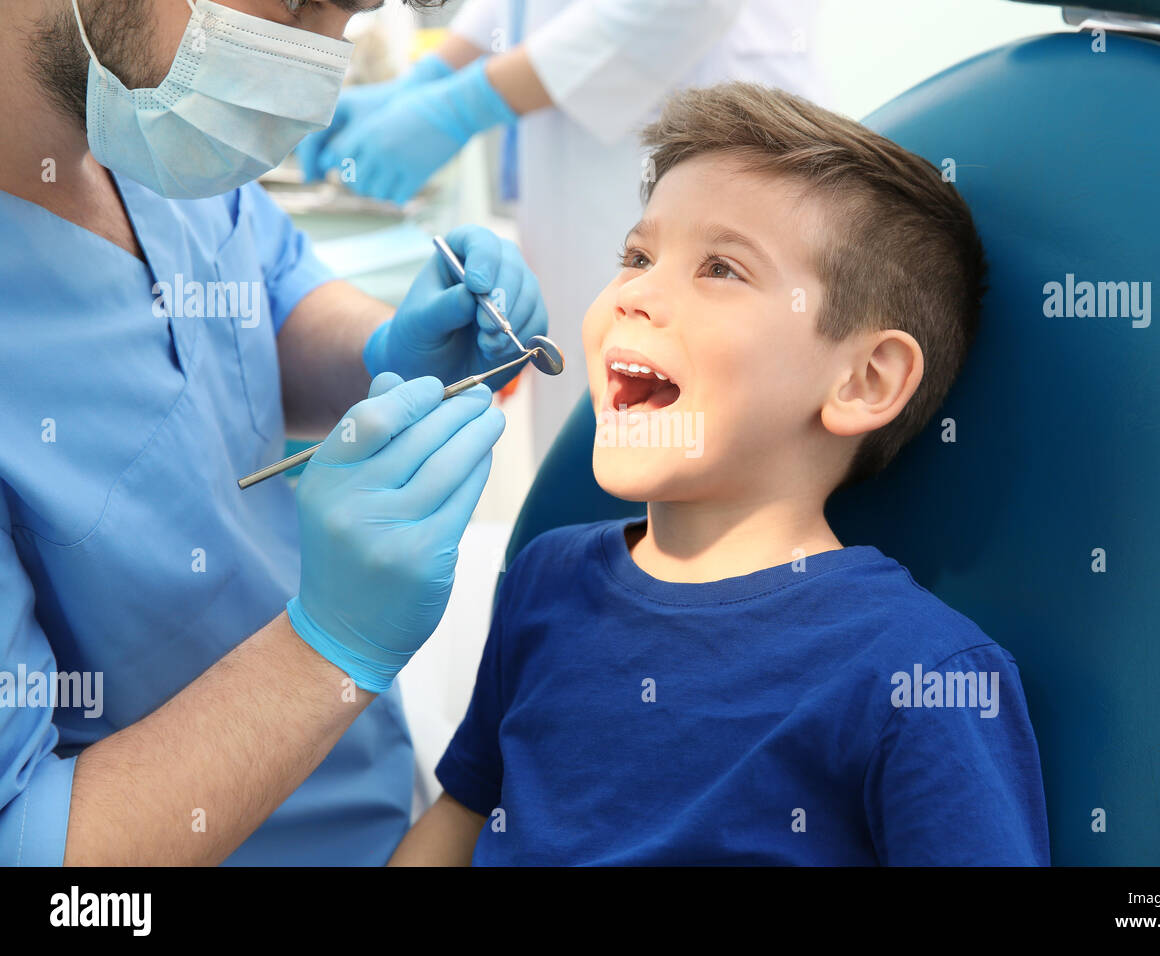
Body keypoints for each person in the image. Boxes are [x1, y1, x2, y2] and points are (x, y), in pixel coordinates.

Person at [388, 83, 1050, 865]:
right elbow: (464, 818)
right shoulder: (546, 581)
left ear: (865, 380)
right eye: (637, 256)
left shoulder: (920, 678)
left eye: (722, 269)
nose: (635, 294)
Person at [0, 0, 546, 866]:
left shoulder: (136, 113)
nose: (318, 74)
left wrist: (386, 352)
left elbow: (266, 291)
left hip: (374, 802)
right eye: (298, 2)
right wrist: (325, 646)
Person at [298, 0, 828, 462]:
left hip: (689, 138)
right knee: (592, 416)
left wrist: (468, 100)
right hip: (580, 161)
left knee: (681, 430)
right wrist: (434, 75)